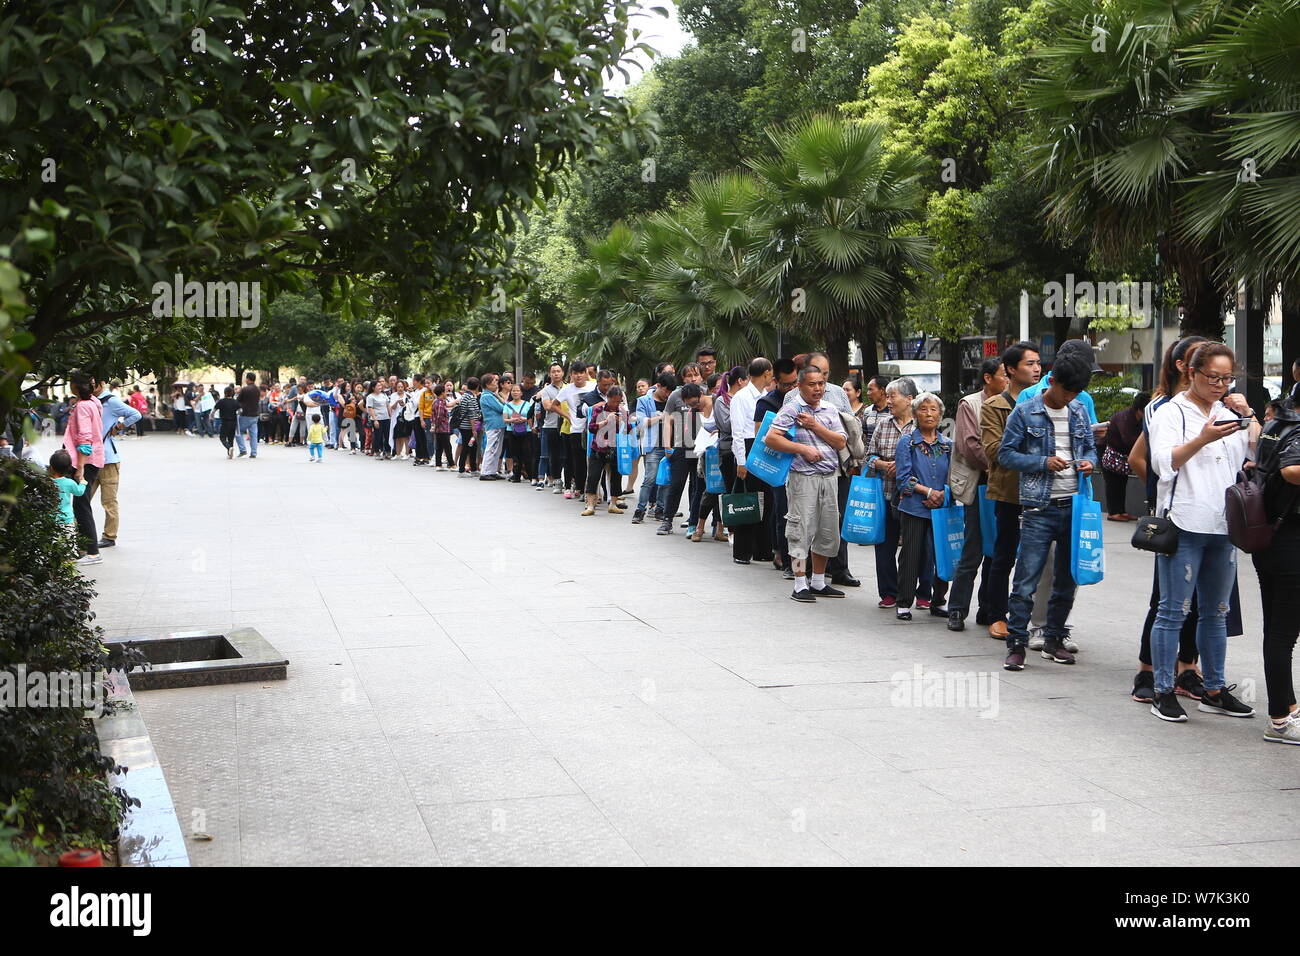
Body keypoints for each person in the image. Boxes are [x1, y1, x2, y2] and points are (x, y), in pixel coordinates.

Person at [1146, 342, 1259, 722]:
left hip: (1224, 524)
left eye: (1227, 378)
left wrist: (1249, 415)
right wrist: (1202, 439)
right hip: (1184, 522)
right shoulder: (1171, 412)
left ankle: (1214, 688)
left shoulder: (1229, 410)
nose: (1221, 385)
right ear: (1191, 373)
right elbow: (1163, 463)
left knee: (1217, 612)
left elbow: (1253, 455)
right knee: (1172, 611)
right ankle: (1163, 690)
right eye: (1213, 377)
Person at [997, 352, 1097, 670]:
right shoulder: (1026, 412)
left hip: (1075, 505)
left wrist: (1088, 462)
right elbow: (1006, 455)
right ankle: (1016, 645)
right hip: (1039, 507)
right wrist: (1042, 462)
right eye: (1065, 392)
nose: (1069, 398)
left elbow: (1090, 447)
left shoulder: (1079, 410)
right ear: (1051, 382)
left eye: (1074, 394)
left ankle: (1054, 639)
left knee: (1067, 579)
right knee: (1026, 580)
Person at [1127, 336, 1213, 703]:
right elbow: (1144, 458)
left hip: (1211, 517)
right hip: (1177, 516)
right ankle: (1147, 673)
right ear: (1183, 367)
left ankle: (1187, 669)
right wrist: (1165, 490)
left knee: (1200, 600)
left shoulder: (1218, 405)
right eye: (1205, 366)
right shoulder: (1161, 406)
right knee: (1165, 598)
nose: (1217, 377)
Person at [764, 364, 848, 602]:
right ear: (799, 385)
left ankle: (819, 582)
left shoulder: (831, 409)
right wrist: (802, 449)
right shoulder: (791, 409)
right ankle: (800, 583)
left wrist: (814, 426)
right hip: (803, 479)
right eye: (812, 384)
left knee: (827, 531)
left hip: (830, 477)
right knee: (800, 531)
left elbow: (841, 442)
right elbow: (771, 438)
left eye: (821, 383)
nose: (818, 389)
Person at [980, 342, 1042, 638]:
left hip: (1043, 492)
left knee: (1038, 558)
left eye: (1038, 363)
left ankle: (1036, 618)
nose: (1036, 369)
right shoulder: (995, 406)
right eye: (1029, 364)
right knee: (1003, 554)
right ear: (1010, 369)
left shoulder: (1047, 402)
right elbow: (992, 450)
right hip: (1009, 491)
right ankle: (996, 614)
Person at [1250, 396, 1300, 743]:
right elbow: (1291, 470)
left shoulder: (1275, 424)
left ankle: (1288, 708)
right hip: (1289, 544)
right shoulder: (1296, 431)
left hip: (1270, 536)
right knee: (1282, 634)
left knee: (1278, 631)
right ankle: (1280, 719)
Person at [945, 358, 1007, 632]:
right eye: (1003, 374)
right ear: (987, 378)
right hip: (980, 484)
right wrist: (1001, 463)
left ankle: (989, 610)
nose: (1007, 379)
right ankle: (957, 609)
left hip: (1004, 487)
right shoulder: (969, 404)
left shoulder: (1012, 402)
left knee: (998, 551)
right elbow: (970, 445)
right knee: (973, 549)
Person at [893, 392, 953, 621]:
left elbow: (953, 476)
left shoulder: (948, 444)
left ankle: (938, 601)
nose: (929, 414)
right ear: (915, 413)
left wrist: (942, 494)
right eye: (923, 409)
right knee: (911, 554)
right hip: (913, 507)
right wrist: (928, 492)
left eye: (933, 409)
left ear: (940, 414)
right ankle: (904, 602)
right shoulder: (907, 442)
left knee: (942, 555)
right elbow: (903, 478)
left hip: (941, 507)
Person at [864, 376, 918, 608]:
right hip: (885, 493)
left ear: (909, 399)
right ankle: (888, 592)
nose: (888, 401)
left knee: (915, 548)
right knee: (884, 546)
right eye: (887, 396)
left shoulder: (921, 424)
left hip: (914, 497)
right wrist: (883, 465)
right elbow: (868, 456)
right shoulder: (883, 425)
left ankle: (919, 593)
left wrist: (905, 467)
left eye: (892, 396)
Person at [729, 358, 772, 564]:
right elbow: (737, 432)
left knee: (767, 500)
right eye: (771, 373)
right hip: (746, 447)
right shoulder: (742, 397)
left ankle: (763, 549)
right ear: (765, 373)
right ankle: (742, 551)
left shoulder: (766, 397)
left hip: (763, 447)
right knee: (748, 501)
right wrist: (741, 461)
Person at [91, 378, 141, 550]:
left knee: (109, 500)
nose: (90, 386)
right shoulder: (87, 401)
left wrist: (119, 426)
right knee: (82, 499)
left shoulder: (111, 401)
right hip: (89, 459)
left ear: (101, 383)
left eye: (93, 382)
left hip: (108, 460)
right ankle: (82, 535)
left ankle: (109, 536)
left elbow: (136, 414)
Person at [64, 370, 104, 565]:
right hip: (94, 459)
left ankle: (92, 552)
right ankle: (85, 548)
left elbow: (84, 439)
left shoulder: (82, 407)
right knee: (81, 504)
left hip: (85, 461)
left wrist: (79, 467)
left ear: (74, 387)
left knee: (81, 505)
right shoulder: (95, 403)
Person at [582, 386, 631, 516]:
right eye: (613, 401)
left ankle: (613, 504)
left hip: (615, 450)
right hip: (598, 448)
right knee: (593, 477)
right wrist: (605, 421)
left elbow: (629, 430)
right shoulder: (598, 410)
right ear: (608, 398)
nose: (615, 404)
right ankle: (590, 505)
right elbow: (591, 428)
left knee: (616, 477)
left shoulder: (622, 412)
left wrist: (623, 423)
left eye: (618, 401)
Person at [1102, 391, 1150, 520]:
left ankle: (1121, 511)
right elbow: (1129, 440)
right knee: (1113, 484)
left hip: (1123, 459)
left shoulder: (1139, 419)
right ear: (1139, 409)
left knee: (1122, 483)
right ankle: (1113, 513)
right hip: (1113, 456)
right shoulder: (1124, 418)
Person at [558, 362, 592, 498]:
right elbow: (554, 405)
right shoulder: (567, 389)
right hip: (576, 430)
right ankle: (581, 489)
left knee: (593, 461)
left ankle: (594, 491)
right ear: (571, 375)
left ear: (586, 373)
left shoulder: (593, 386)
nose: (578, 376)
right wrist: (567, 416)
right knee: (579, 462)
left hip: (593, 429)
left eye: (581, 372)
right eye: (575, 373)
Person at [536, 363, 566, 492]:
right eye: (553, 371)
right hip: (551, 426)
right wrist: (561, 402)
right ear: (550, 374)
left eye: (558, 371)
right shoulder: (545, 390)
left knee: (566, 456)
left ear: (563, 373)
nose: (556, 373)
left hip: (566, 425)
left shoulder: (568, 388)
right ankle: (556, 481)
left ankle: (570, 482)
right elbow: (547, 406)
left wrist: (556, 404)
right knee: (553, 456)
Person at [48, 449, 87, 541]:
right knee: (69, 543)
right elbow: (79, 492)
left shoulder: (47, 482)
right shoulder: (70, 483)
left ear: (51, 467)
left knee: (53, 543)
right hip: (67, 519)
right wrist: (83, 483)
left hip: (51, 519)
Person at [503, 383, 534, 483]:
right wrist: (512, 420)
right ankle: (516, 475)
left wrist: (524, 419)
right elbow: (505, 420)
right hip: (512, 432)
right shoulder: (507, 405)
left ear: (521, 393)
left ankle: (531, 475)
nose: (515, 392)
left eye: (517, 391)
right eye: (513, 391)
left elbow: (531, 418)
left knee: (527, 453)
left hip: (526, 431)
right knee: (515, 454)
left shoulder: (528, 404)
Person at [477, 372, 506, 480]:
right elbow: (501, 408)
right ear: (487, 384)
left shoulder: (491, 395)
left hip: (498, 425)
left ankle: (492, 471)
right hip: (493, 425)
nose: (496, 383)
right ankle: (485, 472)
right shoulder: (487, 396)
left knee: (497, 449)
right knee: (491, 448)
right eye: (494, 381)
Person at [455, 377, 482, 474]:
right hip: (468, 427)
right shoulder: (470, 398)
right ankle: (461, 470)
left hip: (464, 426)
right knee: (466, 448)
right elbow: (471, 415)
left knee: (472, 447)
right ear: (477, 386)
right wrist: (474, 429)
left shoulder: (465, 396)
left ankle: (473, 469)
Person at [235, 372, 260, 458]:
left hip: (245, 414)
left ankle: (243, 449)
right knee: (253, 434)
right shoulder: (257, 389)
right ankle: (254, 452)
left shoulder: (245, 389)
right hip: (255, 414)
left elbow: (238, 400)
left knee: (238, 432)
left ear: (248, 379)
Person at [365, 379, 391, 460]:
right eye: (378, 386)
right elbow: (370, 408)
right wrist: (375, 419)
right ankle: (377, 452)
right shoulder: (370, 396)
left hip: (386, 418)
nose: (380, 387)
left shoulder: (384, 395)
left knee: (387, 435)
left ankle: (387, 452)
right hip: (377, 418)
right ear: (373, 387)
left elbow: (388, 405)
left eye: (380, 385)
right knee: (378, 436)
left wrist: (390, 415)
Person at [430, 384, 454, 469]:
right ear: (442, 392)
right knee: (447, 447)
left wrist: (434, 425)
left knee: (439, 447)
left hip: (438, 429)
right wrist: (436, 425)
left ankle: (438, 464)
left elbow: (432, 416)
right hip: (442, 428)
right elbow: (439, 416)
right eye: (444, 391)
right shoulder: (440, 403)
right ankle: (452, 464)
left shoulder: (435, 402)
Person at [214, 385, 240, 458]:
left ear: (224, 393)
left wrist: (211, 416)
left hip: (225, 422)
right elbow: (240, 410)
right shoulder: (235, 402)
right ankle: (230, 454)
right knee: (231, 438)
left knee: (222, 437)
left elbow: (214, 410)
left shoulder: (221, 401)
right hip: (233, 422)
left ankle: (229, 448)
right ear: (232, 393)